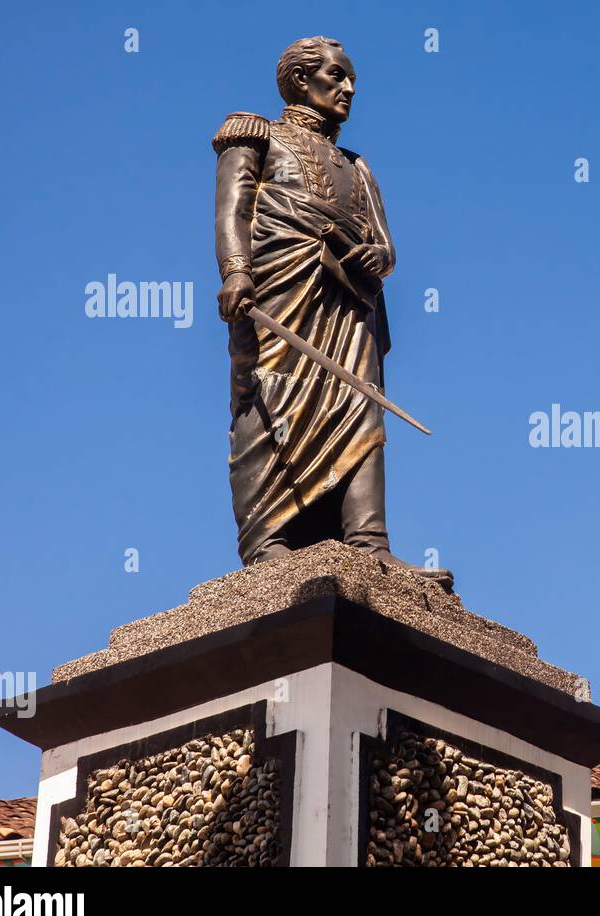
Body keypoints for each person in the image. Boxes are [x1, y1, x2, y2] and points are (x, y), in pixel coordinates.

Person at [213, 35, 452, 589]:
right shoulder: (256, 136)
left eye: (351, 81)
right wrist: (236, 272)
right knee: (272, 395)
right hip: (280, 296)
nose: (348, 89)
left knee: (360, 404)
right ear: (300, 80)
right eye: (336, 76)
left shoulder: (357, 166)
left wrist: (378, 256)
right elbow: (233, 211)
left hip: (349, 301)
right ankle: (268, 539)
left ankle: (368, 541)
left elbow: (386, 247)